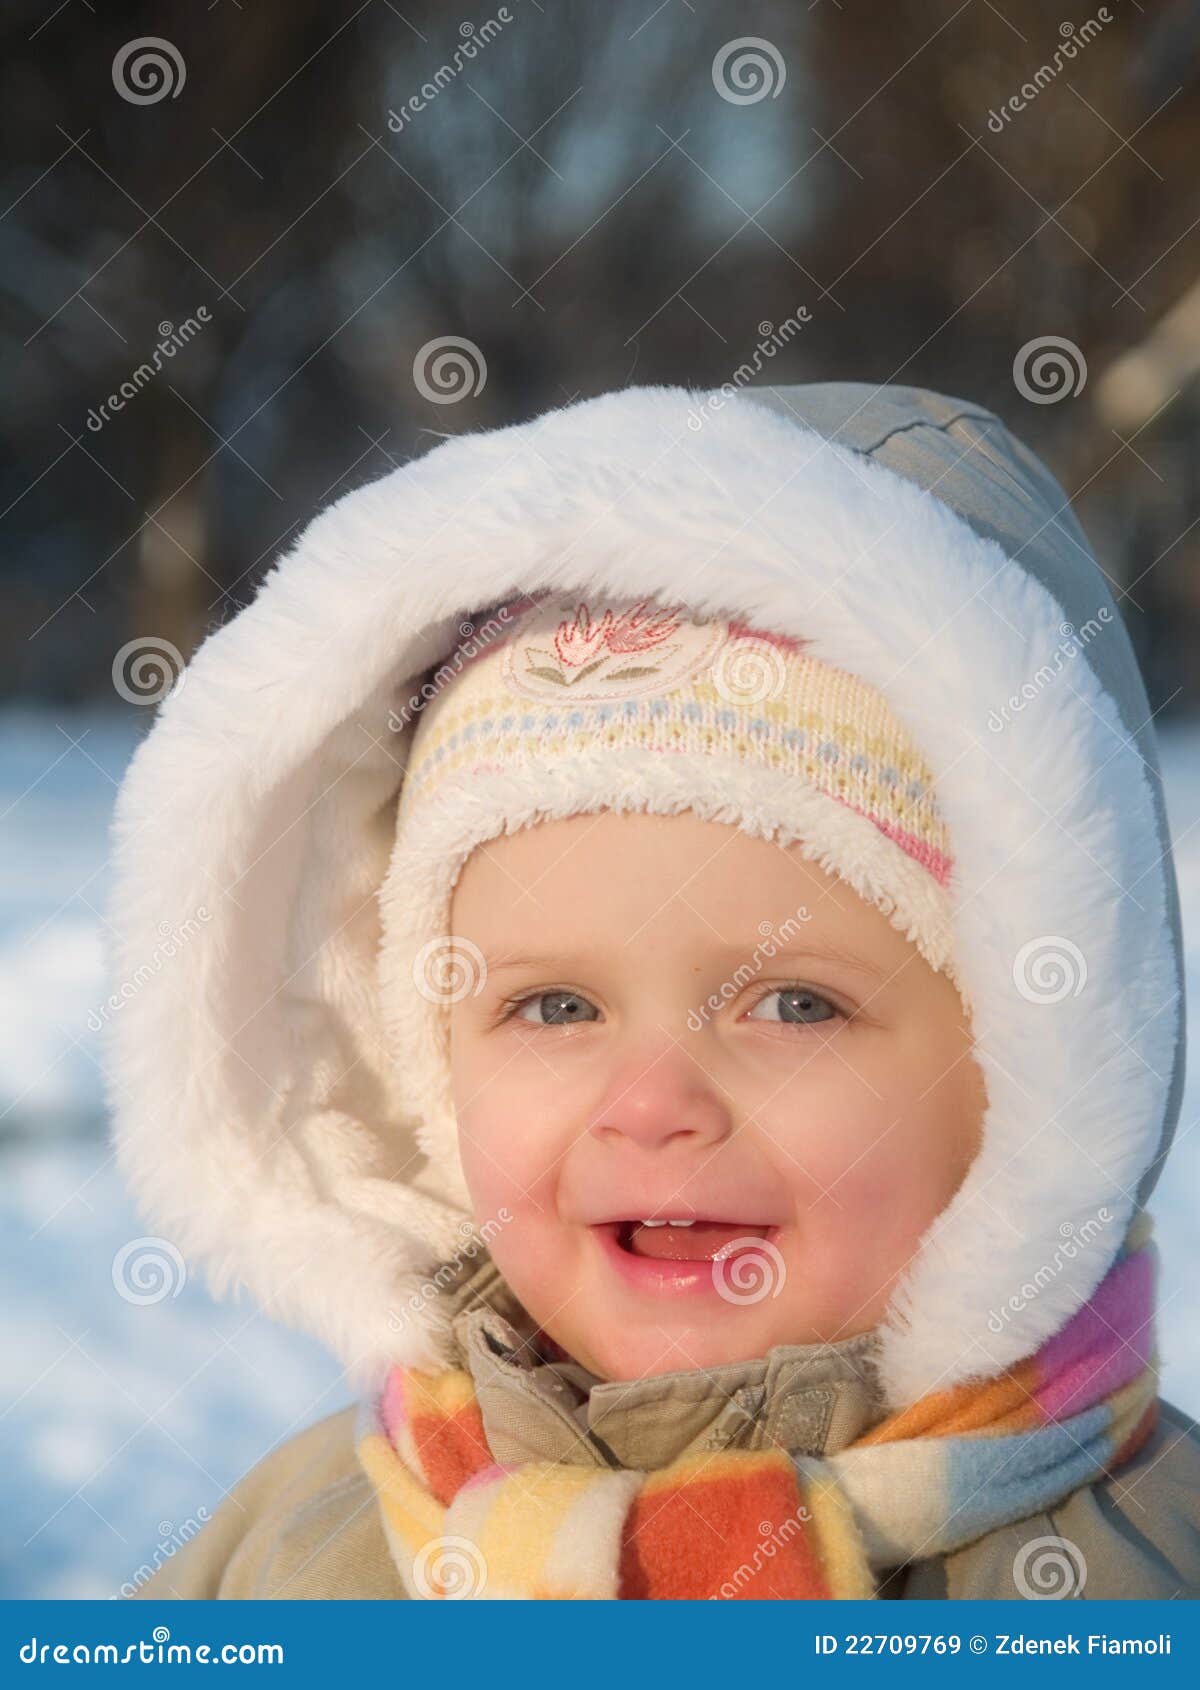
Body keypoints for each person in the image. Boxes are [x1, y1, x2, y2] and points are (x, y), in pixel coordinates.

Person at [107, 382, 1199, 1600]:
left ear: (1030, 1065)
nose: (652, 1104)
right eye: (555, 1007)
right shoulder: (293, 1557)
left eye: (791, 1004)